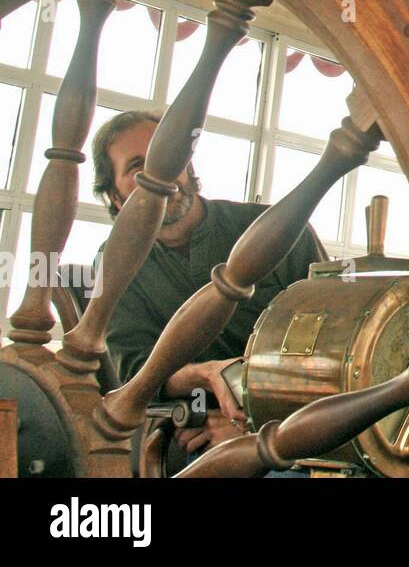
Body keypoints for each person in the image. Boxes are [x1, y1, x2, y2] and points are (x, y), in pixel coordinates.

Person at [91, 110, 324, 459]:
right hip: (199, 431)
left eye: (169, 155)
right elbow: (136, 375)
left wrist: (255, 427)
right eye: (139, 166)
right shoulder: (114, 262)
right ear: (115, 196)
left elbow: (339, 341)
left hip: (305, 420)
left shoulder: (278, 228)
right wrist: (206, 374)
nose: (162, 172)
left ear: (189, 164)